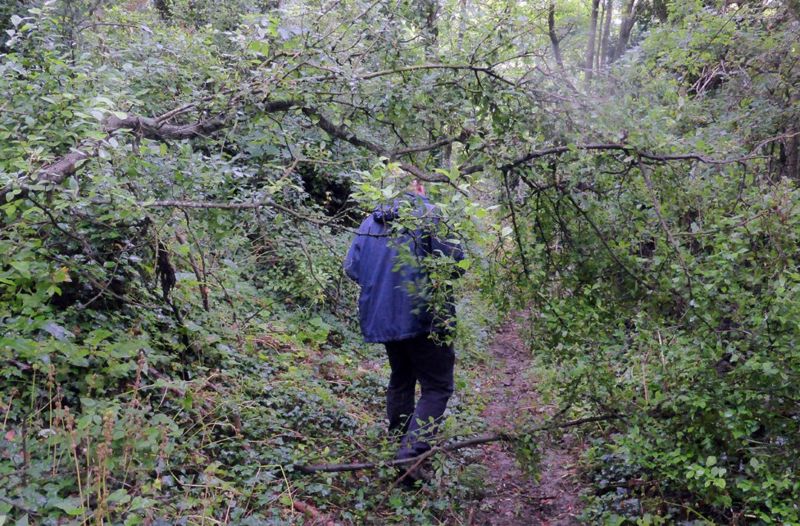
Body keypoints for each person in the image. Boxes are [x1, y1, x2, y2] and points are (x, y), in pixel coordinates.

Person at [344, 179, 464, 482]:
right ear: (419, 188)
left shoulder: (370, 221)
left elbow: (353, 268)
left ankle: (398, 442)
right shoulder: (431, 215)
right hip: (424, 315)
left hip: (384, 318)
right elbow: (455, 262)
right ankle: (409, 455)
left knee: (401, 377)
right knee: (437, 387)